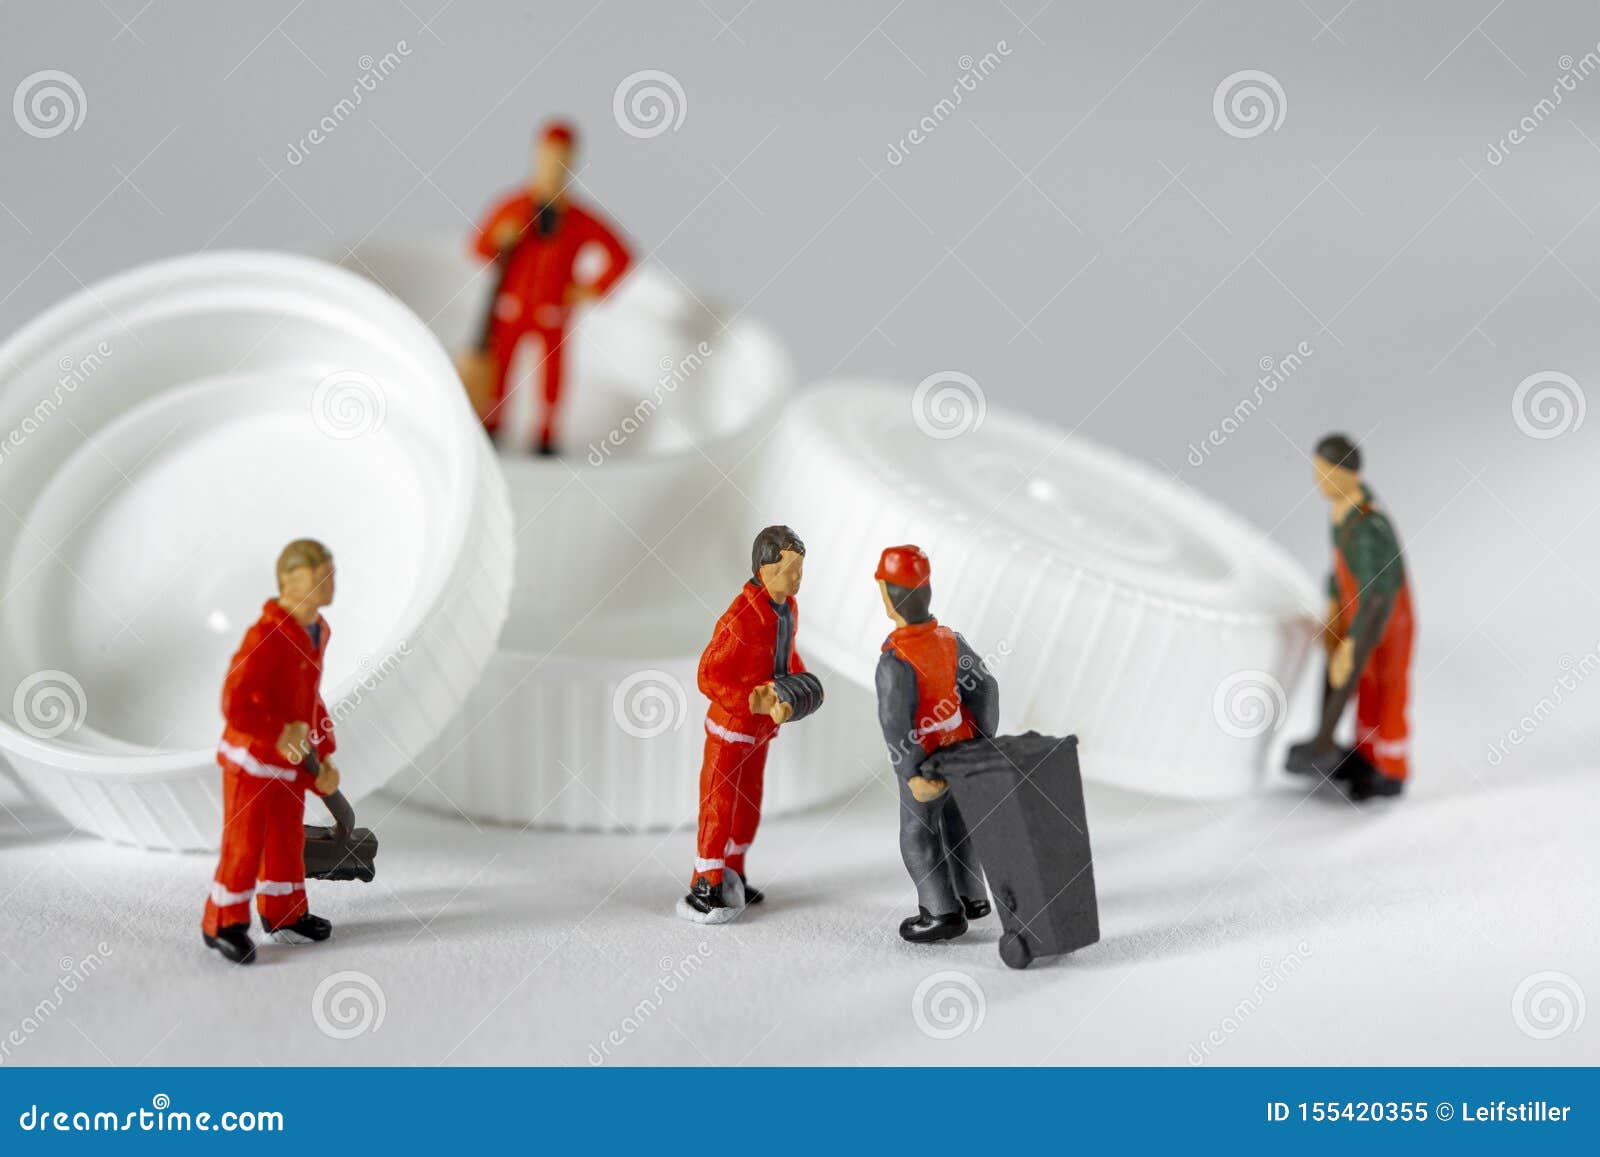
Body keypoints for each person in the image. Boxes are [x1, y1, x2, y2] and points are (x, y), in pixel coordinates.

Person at [201, 539, 343, 965]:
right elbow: (236, 702)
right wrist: (279, 732)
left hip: (291, 762)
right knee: (244, 845)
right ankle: (222, 921)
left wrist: (326, 752)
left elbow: (310, 700)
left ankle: (284, 914)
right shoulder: (265, 635)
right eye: (321, 576)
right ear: (291, 580)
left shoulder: (317, 630)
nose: (330, 584)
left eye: (332, 574)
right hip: (252, 761)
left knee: (286, 841)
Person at [679, 526, 824, 924]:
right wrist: (748, 700)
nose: (797, 579)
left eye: (800, 570)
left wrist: (800, 690)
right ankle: (706, 881)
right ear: (764, 568)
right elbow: (708, 676)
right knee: (718, 803)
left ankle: (734, 868)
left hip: (760, 732)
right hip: (729, 730)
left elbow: (788, 660)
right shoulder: (740, 619)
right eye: (789, 569)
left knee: (748, 803)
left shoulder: (787, 610)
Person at [467, 119, 632, 455]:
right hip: (511, 309)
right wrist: (498, 240)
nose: (551, 170)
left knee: (552, 377)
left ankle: (546, 434)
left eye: (561, 161)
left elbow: (620, 255)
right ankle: (494, 422)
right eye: (546, 159)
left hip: (553, 314)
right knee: (501, 370)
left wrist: (590, 289)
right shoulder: (512, 207)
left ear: (571, 164)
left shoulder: (581, 219)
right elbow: (478, 246)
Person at [873, 545, 997, 942]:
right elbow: (985, 689)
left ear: (887, 594)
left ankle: (941, 911)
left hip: (926, 762)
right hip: (961, 750)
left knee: (918, 834)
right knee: (961, 826)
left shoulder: (896, 659)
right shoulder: (951, 640)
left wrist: (910, 773)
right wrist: (981, 740)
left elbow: (896, 724)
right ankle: (972, 896)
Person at [1310, 433, 1415, 800]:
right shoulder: (1343, 513)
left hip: (1386, 621)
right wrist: (1331, 601)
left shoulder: (1368, 527)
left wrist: (1353, 642)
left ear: (1346, 474)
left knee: (1386, 689)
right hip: (1361, 614)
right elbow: (1343, 571)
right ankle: (1366, 756)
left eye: (1324, 473)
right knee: (1367, 685)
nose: (1317, 480)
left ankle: (1389, 770)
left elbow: (1378, 592)